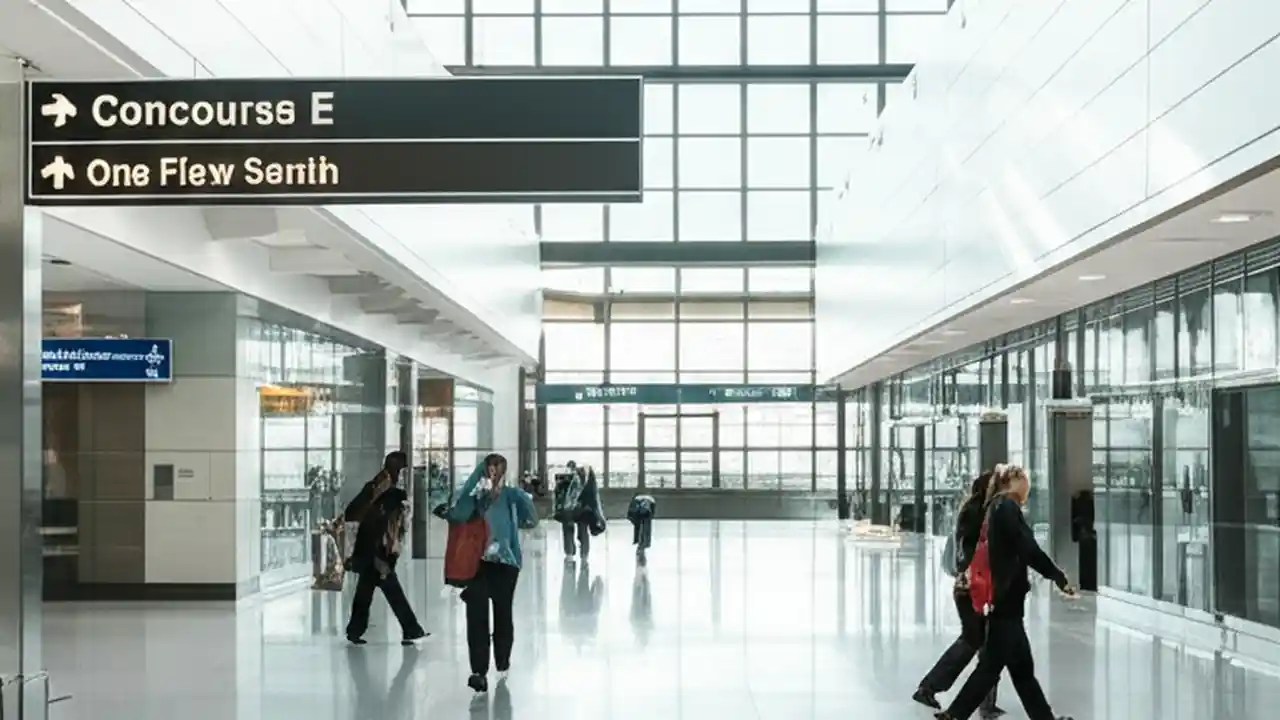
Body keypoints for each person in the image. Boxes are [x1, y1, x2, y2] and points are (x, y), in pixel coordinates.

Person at [935, 465, 1077, 720]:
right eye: (1025, 480)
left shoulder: (994, 508)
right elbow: (1028, 549)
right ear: (1013, 481)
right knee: (992, 668)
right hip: (1006, 598)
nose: (1028, 486)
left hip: (1003, 599)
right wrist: (1057, 575)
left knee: (1021, 670)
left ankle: (1043, 718)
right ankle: (955, 715)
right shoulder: (1007, 508)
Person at [913, 472, 1002, 717]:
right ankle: (931, 687)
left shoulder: (976, 511)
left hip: (974, 587)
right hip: (975, 588)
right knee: (977, 641)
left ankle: (985, 703)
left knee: (987, 644)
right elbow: (976, 553)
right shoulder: (980, 515)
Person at [448, 453, 537, 694]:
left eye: (498, 469)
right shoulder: (472, 496)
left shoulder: (513, 495)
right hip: (475, 564)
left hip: (506, 563)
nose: (493, 473)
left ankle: (502, 661)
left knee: (502, 612)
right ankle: (478, 671)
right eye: (489, 468)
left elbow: (532, 519)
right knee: (476, 615)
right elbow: (456, 513)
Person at [344, 451, 427, 646]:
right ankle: (411, 629)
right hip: (377, 552)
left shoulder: (373, 487)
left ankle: (355, 630)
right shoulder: (392, 494)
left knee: (365, 591)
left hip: (368, 550)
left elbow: (353, 512)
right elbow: (387, 527)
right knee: (391, 591)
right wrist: (383, 555)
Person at [557, 465, 604, 559]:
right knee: (583, 531)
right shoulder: (590, 483)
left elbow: (561, 495)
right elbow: (595, 500)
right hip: (584, 510)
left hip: (570, 509)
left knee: (569, 529)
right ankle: (584, 556)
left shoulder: (570, 480)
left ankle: (570, 553)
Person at [627, 492, 656, 561]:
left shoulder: (636, 499)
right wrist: (651, 517)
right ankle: (646, 542)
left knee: (638, 526)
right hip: (647, 511)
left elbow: (631, 511)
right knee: (647, 528)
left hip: (639, 511)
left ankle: (638, 540)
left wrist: (632, 519)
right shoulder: (651, 499)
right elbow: (653, 510)